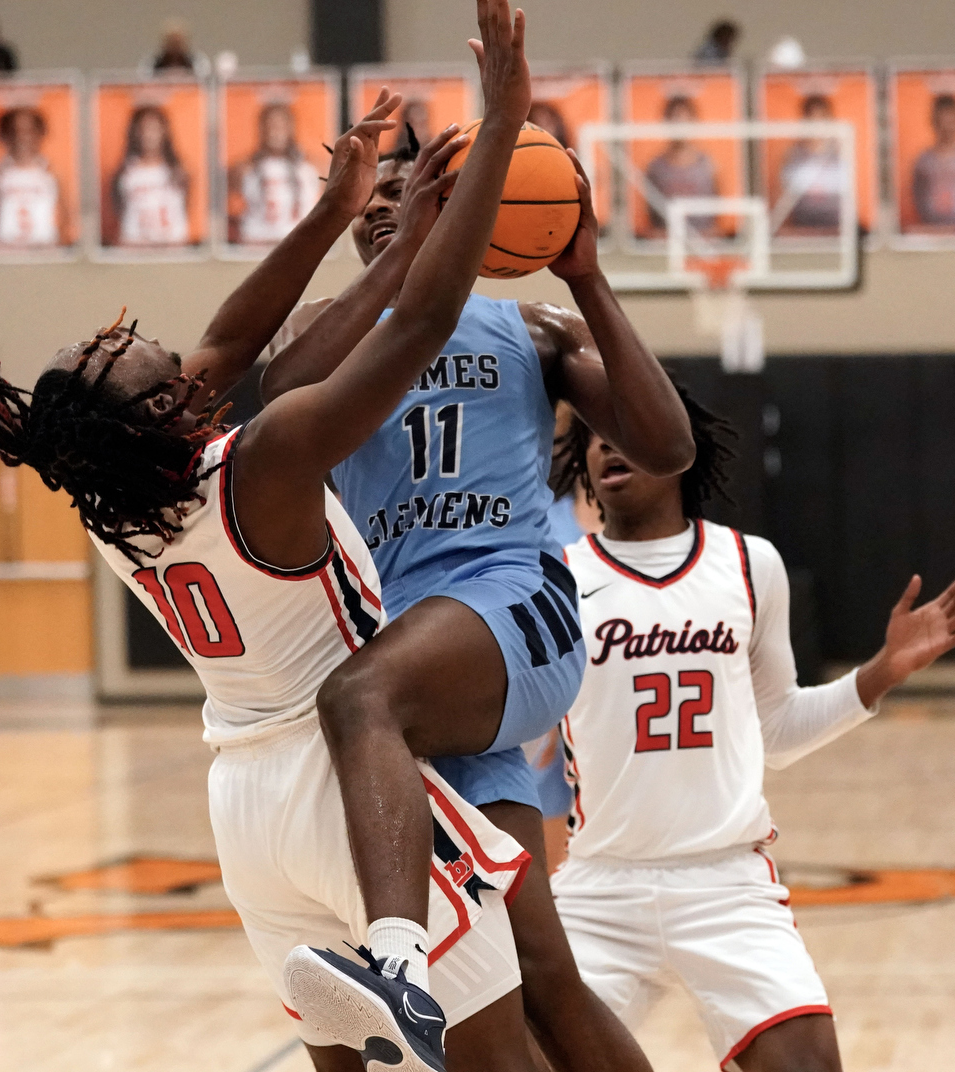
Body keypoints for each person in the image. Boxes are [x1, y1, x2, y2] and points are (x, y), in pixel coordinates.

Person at [0, 36, 546, 1068]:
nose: (157, 346)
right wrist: (499, 129)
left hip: (244, 813)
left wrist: (341, 212)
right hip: (345, 790)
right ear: (169, 406)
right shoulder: (264, 464)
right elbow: (426, 321)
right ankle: (399, 963)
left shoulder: (109, 501)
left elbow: (223, 347)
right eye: (139, 357)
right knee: (503, 1061)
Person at [260, 6, 693, 1068]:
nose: (393, 207)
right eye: (380, 199)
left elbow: (666, 442)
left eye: (418, 190)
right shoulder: (322, 338)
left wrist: (583, 276)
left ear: (457, 209)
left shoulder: (526, 328)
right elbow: (278, 392)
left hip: (511, 616)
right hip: (415, 673)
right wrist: (396, 256)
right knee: (532, 979)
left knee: (359, 698)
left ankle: (395, 967)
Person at [543, 397, 955, 1072]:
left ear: (678, 447)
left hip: (725, 883)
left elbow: (776, 729)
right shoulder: (557, 578)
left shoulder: (750, 566)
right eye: (594, 438)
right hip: (601, 887)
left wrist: (881, 672)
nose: (605, 447)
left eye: (626, 430)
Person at [229, 102, 322, 244]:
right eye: (270, 125)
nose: (275, 131)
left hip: (298, 243)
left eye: (281, 125)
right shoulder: (245, 168)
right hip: (256, 242)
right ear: (261, 129)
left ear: (291, 128)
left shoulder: (310, 167)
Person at [0, 107, 66, 249]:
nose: (21, 138)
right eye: (14, 132)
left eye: (29, 131)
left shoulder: (51, 174)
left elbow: (67, 216)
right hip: (5, 247)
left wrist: (58, 242)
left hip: (43, 247)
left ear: (40, 133)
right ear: (4, 135)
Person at [112, 105, 191, 246]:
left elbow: (186, 206)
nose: (148, 135)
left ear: (164, 131)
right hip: (135, 246)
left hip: (172, 247)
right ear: (135, 132)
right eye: (143, 129)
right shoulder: (126, 173)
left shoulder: (178, 172)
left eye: (154, 129)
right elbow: (119, 208)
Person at [645, 95, 719, 235]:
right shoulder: (655, 168)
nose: (680, 124)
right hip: (665, 245)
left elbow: (716, 218)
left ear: (694, 121)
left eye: (685, 118)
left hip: (703, 245)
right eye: (675, 118)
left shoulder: (708, 167)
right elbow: (652, 221)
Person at [911, 94, 955, 229]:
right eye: (943, 121)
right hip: (931, 230)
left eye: (951, 121)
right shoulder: (923, 162)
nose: (947, 127)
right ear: (934, 121)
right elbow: (917, 193)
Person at [776, 94, 845, 231]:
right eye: (812, 118)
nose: (817, 125)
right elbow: (784, 199)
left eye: (822, 118)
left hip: (835, 225)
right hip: (802, 225)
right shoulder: (792, 156)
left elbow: (845, 197)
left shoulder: (841, 155)